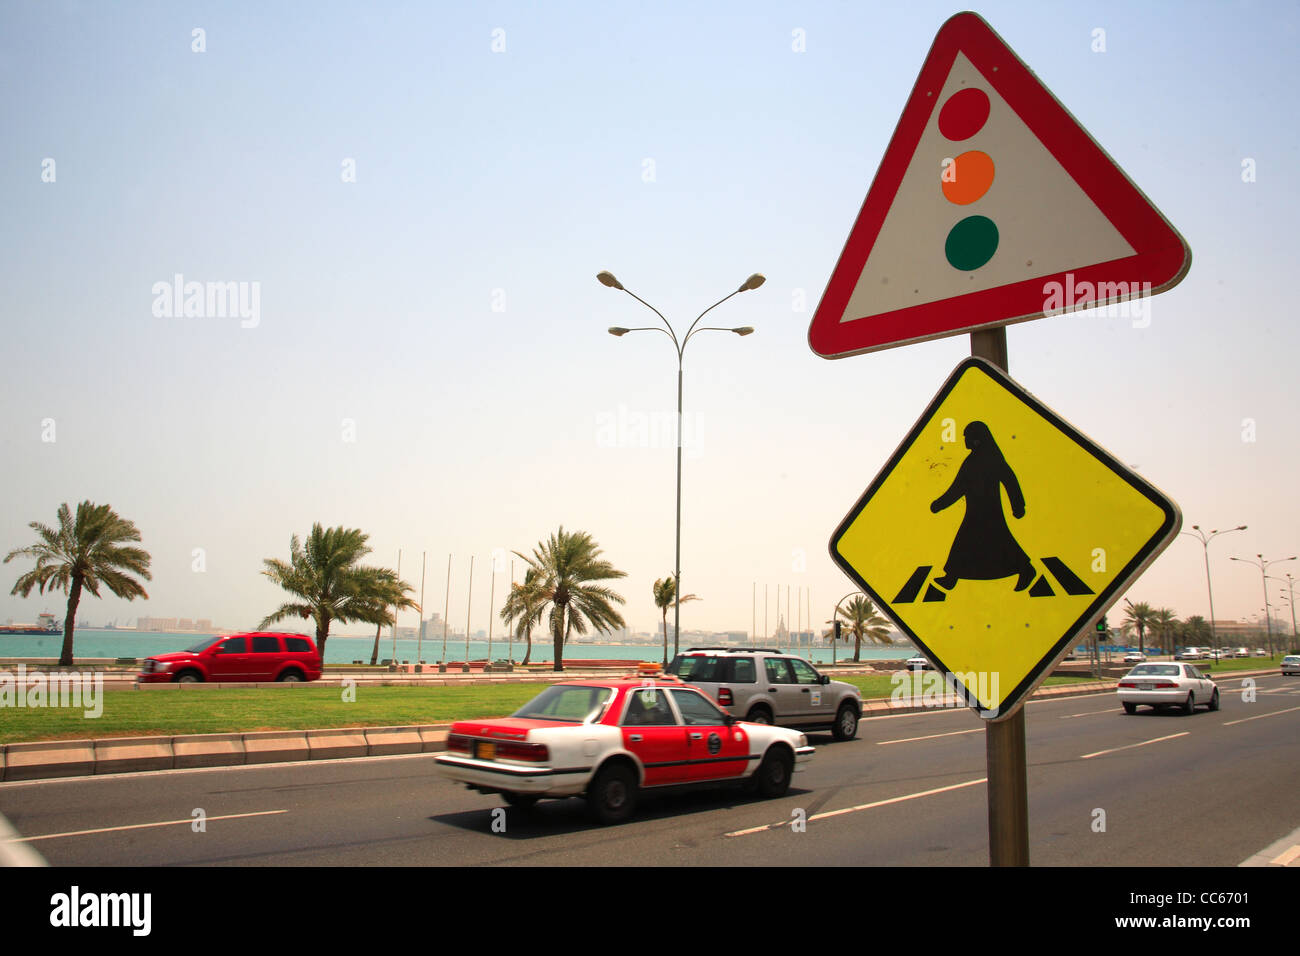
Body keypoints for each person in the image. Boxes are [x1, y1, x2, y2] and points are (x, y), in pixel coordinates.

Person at [930, 420, 1034, 591]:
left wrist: (1018, 506)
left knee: (998, 542)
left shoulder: (991, 458)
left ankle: (1026, 569)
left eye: (967, 437)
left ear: (976, 438)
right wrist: (939, 504)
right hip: (974, 512)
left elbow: (1010, 480)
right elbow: (958, 488)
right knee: (965, 543)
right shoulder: (971, 461)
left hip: (990, 512)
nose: (964, 440)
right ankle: (951, 577)